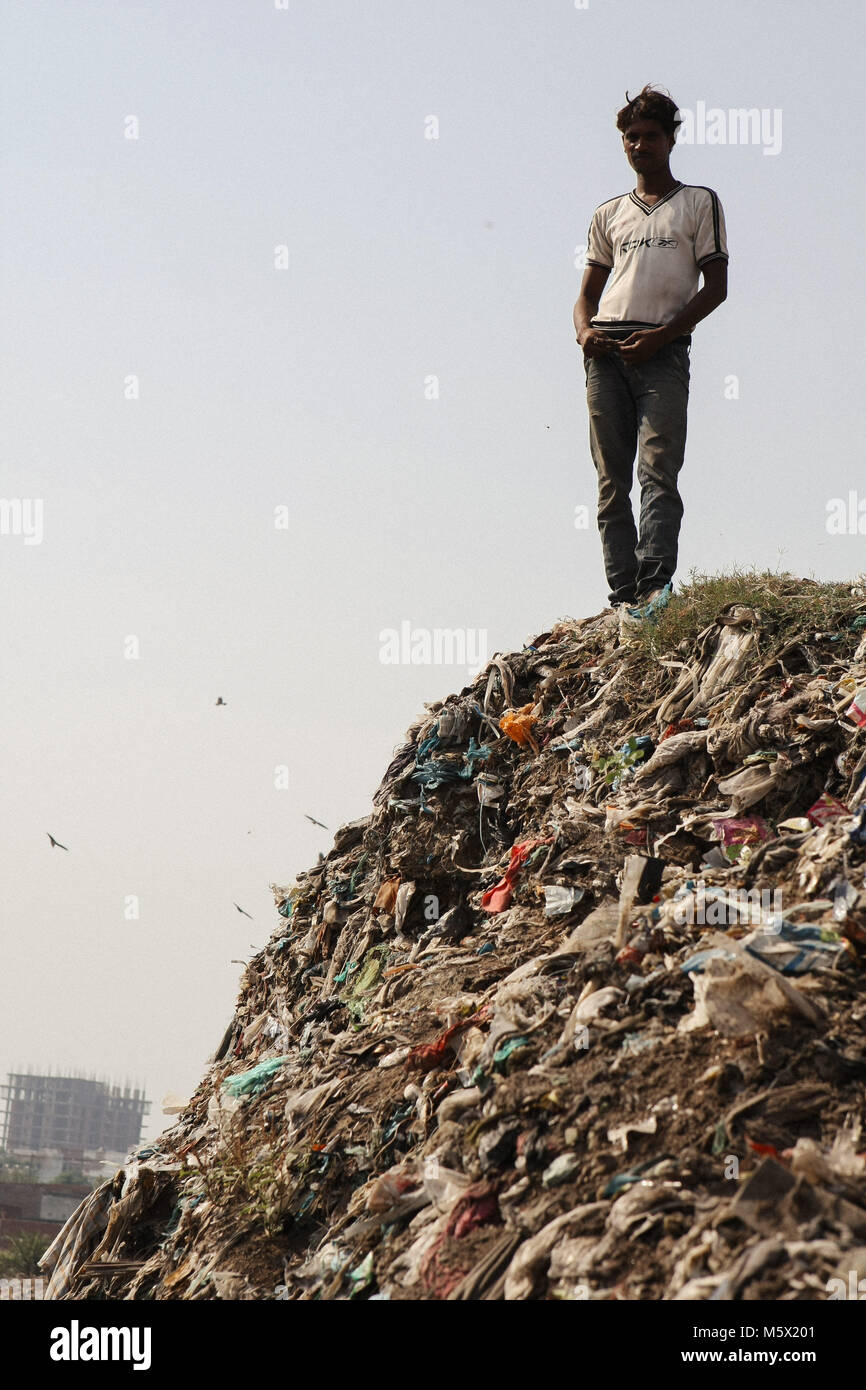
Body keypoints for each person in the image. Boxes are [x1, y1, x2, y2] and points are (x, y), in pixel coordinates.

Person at [573, 85, 728, 638]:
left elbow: (716, 287)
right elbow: (585, 294)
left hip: (662, 351)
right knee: (611, 480)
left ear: (671, 139)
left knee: (658, 471)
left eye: (650, 136)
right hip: (607, 352)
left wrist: (664, 336)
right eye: (631, 138)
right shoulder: (608, 213)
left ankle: (655, 587)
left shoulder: (697, 203)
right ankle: (623, 594)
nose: (640, 145)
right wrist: (584, 333)